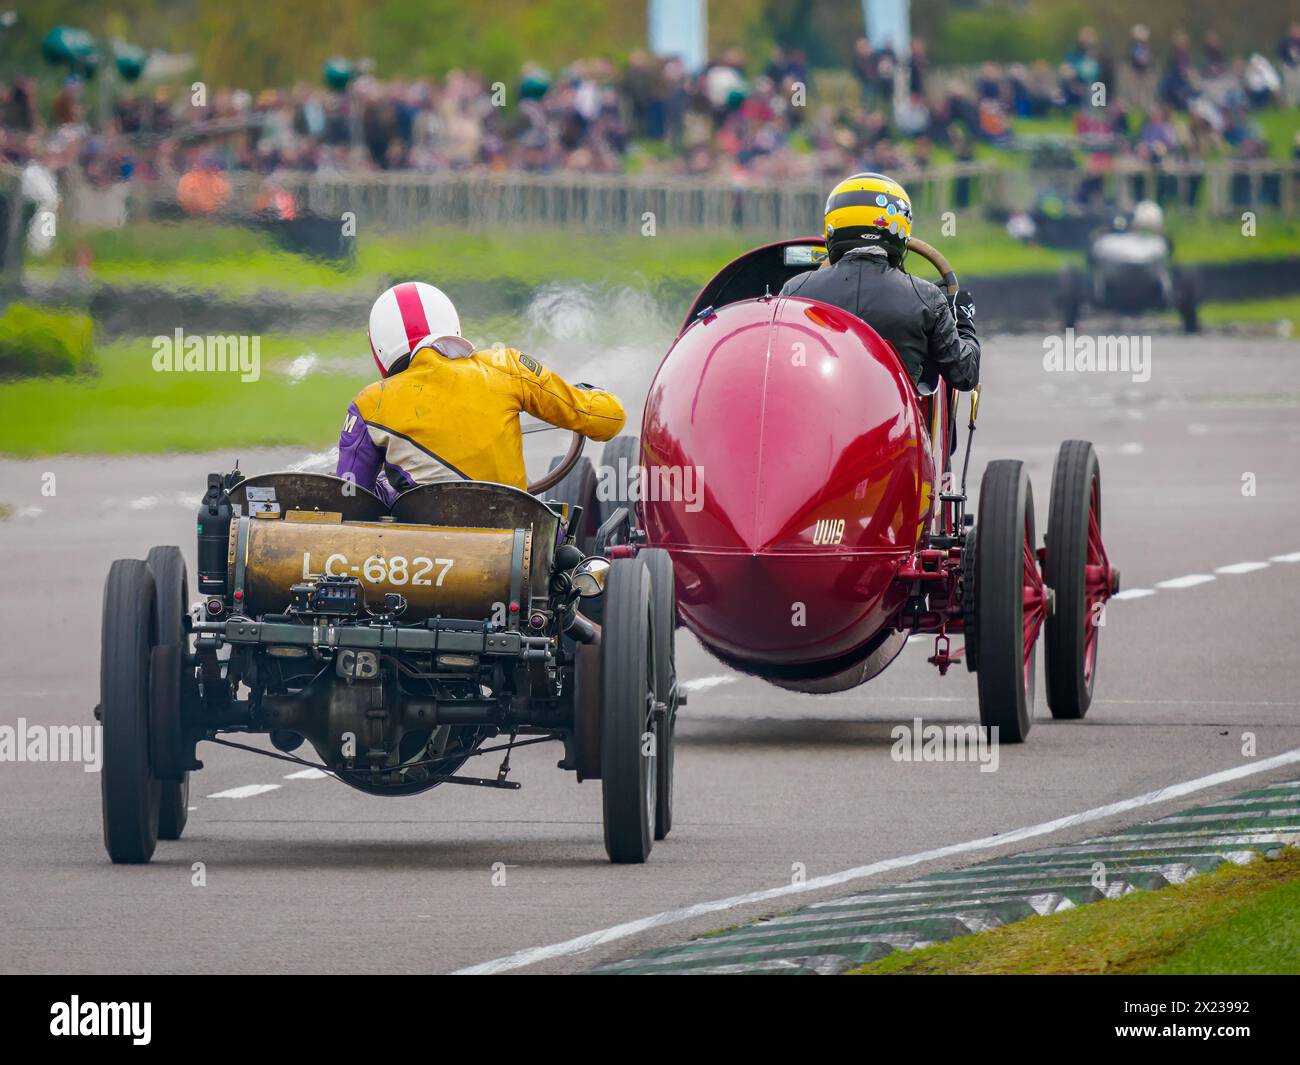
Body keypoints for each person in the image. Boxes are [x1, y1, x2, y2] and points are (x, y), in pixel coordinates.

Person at [336, 282, 625, 502]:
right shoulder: (506, 365)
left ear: (379, 346)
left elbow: (349, 501)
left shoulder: (370, 403)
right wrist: (591, 396)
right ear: (452, 324)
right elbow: (608, 421)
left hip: (415, 553)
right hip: (515, 537)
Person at [779, 172, 979, 392]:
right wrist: (962, 319)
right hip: (897, 422)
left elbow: (781, 368)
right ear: (900, 229)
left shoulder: (796, 290)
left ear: (832, 226)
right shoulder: (927, 296)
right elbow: (964, 375)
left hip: (819, 420)